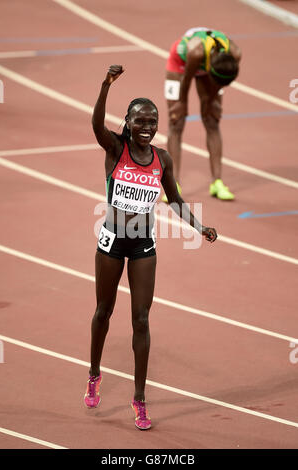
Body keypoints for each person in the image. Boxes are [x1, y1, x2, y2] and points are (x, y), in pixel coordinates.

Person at [84, 64, 217, 431]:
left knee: (141, 320)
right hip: (111, 242)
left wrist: (199, 226)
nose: (147, 128)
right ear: (127, 123)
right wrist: (105, 84)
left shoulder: (162, 159)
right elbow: (96, 125)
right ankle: (94, 372)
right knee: (103, 312)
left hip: (143, 244)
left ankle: (139, 399)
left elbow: (174, 199)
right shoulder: (115, 147)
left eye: (152, 122)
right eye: (141, 121)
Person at [164, 27, 241, 201]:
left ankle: (217, 182)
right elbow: (186, 80)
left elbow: (221, 83)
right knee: (176, 121)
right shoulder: (195, 52)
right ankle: (173, 184)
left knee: (212, 120)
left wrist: (212, 100)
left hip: (211, 65)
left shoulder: (235, 54)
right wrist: (181, 103)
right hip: (181, 64)